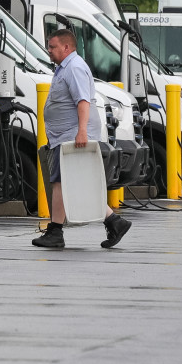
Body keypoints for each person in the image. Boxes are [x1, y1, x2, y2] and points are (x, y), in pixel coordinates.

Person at [32, 28, 132, 250]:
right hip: (65, 136)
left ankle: (55, 232)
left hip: (71, 136)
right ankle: (114, 222)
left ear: (66, 47)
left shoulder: (74, 67)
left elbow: (83, 101)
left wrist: (82, 131)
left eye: (53, 47)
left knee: (60, 182)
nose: (49, 50)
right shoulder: (65, 67)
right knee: (76, 183)